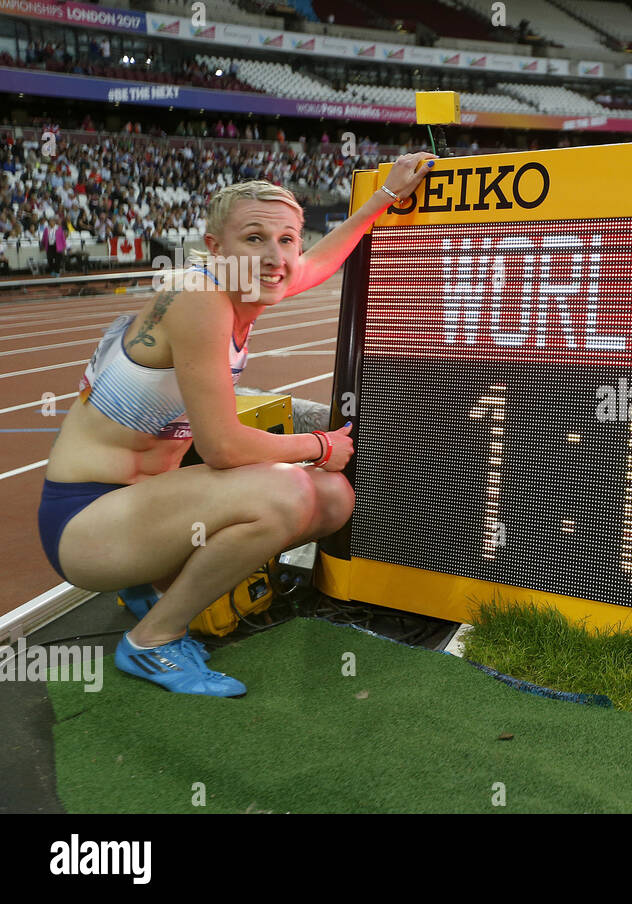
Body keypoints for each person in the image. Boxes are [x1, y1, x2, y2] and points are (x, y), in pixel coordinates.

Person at [38, 153, 439, 698]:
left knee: (332, 498)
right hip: (84, 520)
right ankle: (153, 638)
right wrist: (319, 444)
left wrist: (382, 198)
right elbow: (222, 447)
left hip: (142, 507)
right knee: (289, 490)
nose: (276, 256)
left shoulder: (246, 282)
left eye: (287, 240)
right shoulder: (197, 297)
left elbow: (320, 262)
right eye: (255, 238)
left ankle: (148, 584)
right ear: (216, 247)